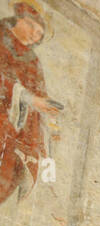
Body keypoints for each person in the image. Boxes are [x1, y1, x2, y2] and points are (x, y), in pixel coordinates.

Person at [0, 1, 60, 209]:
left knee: (12, 171)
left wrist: (48, 112)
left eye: (39, 36)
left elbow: (40, 95)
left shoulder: (32, 60)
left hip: (17, 131)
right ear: (21, 20)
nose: (35, 37)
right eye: (34, 30)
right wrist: (26, 97)